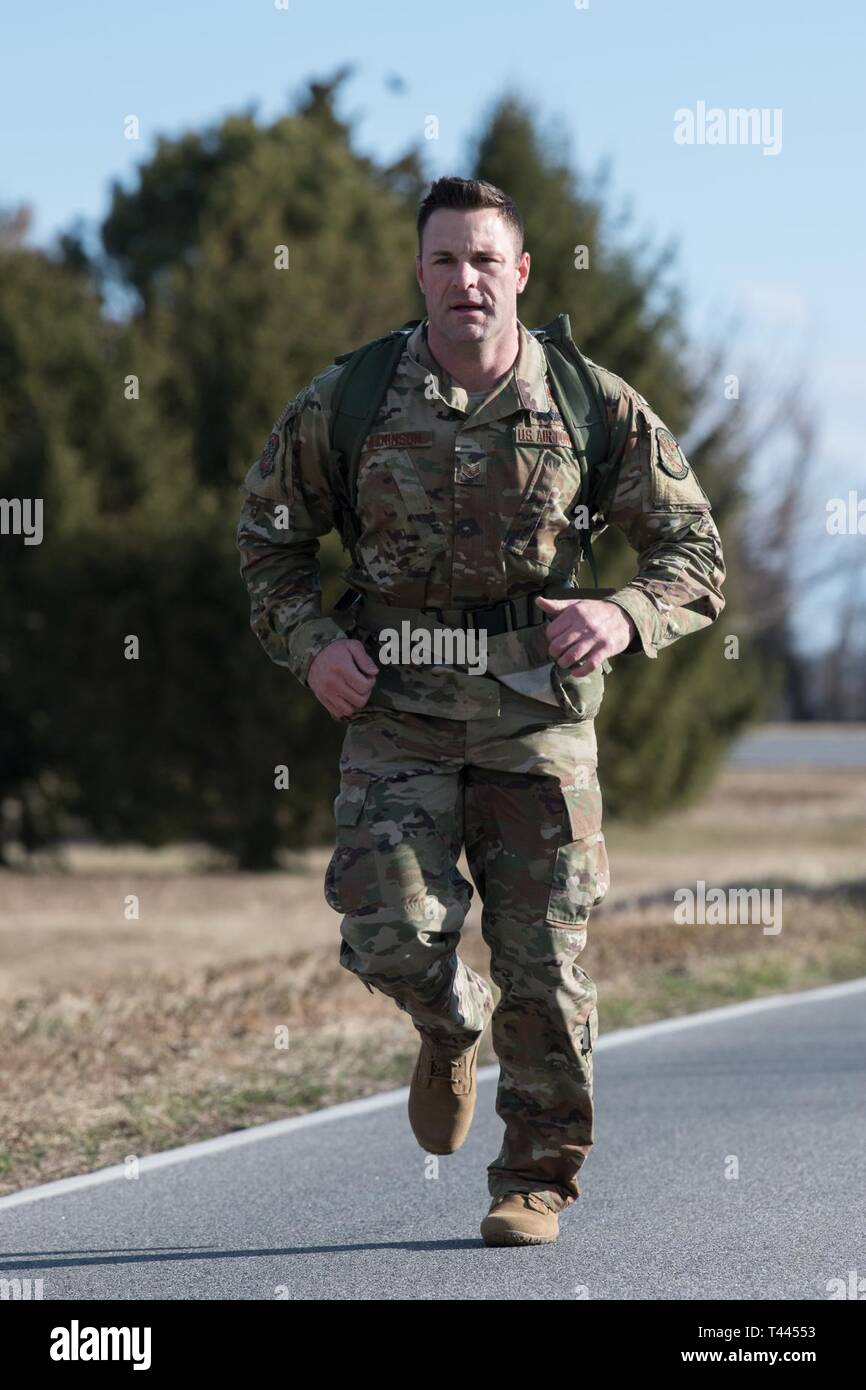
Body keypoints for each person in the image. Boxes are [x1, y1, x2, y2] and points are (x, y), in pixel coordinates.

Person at [236, 176, 725, 1247]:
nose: (465, 279)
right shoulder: (350, 399)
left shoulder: (592, 402)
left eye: (483, 259)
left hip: (534, 717)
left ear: (520, 274)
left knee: (544, 960)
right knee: (387, 932)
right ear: (420, 274)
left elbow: (693, 554)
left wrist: (625, 613)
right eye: (444, 259)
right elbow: (269, 542)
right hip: (396, 706)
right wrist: (313, 645)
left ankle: (534, 1178)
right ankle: (448, 1023)